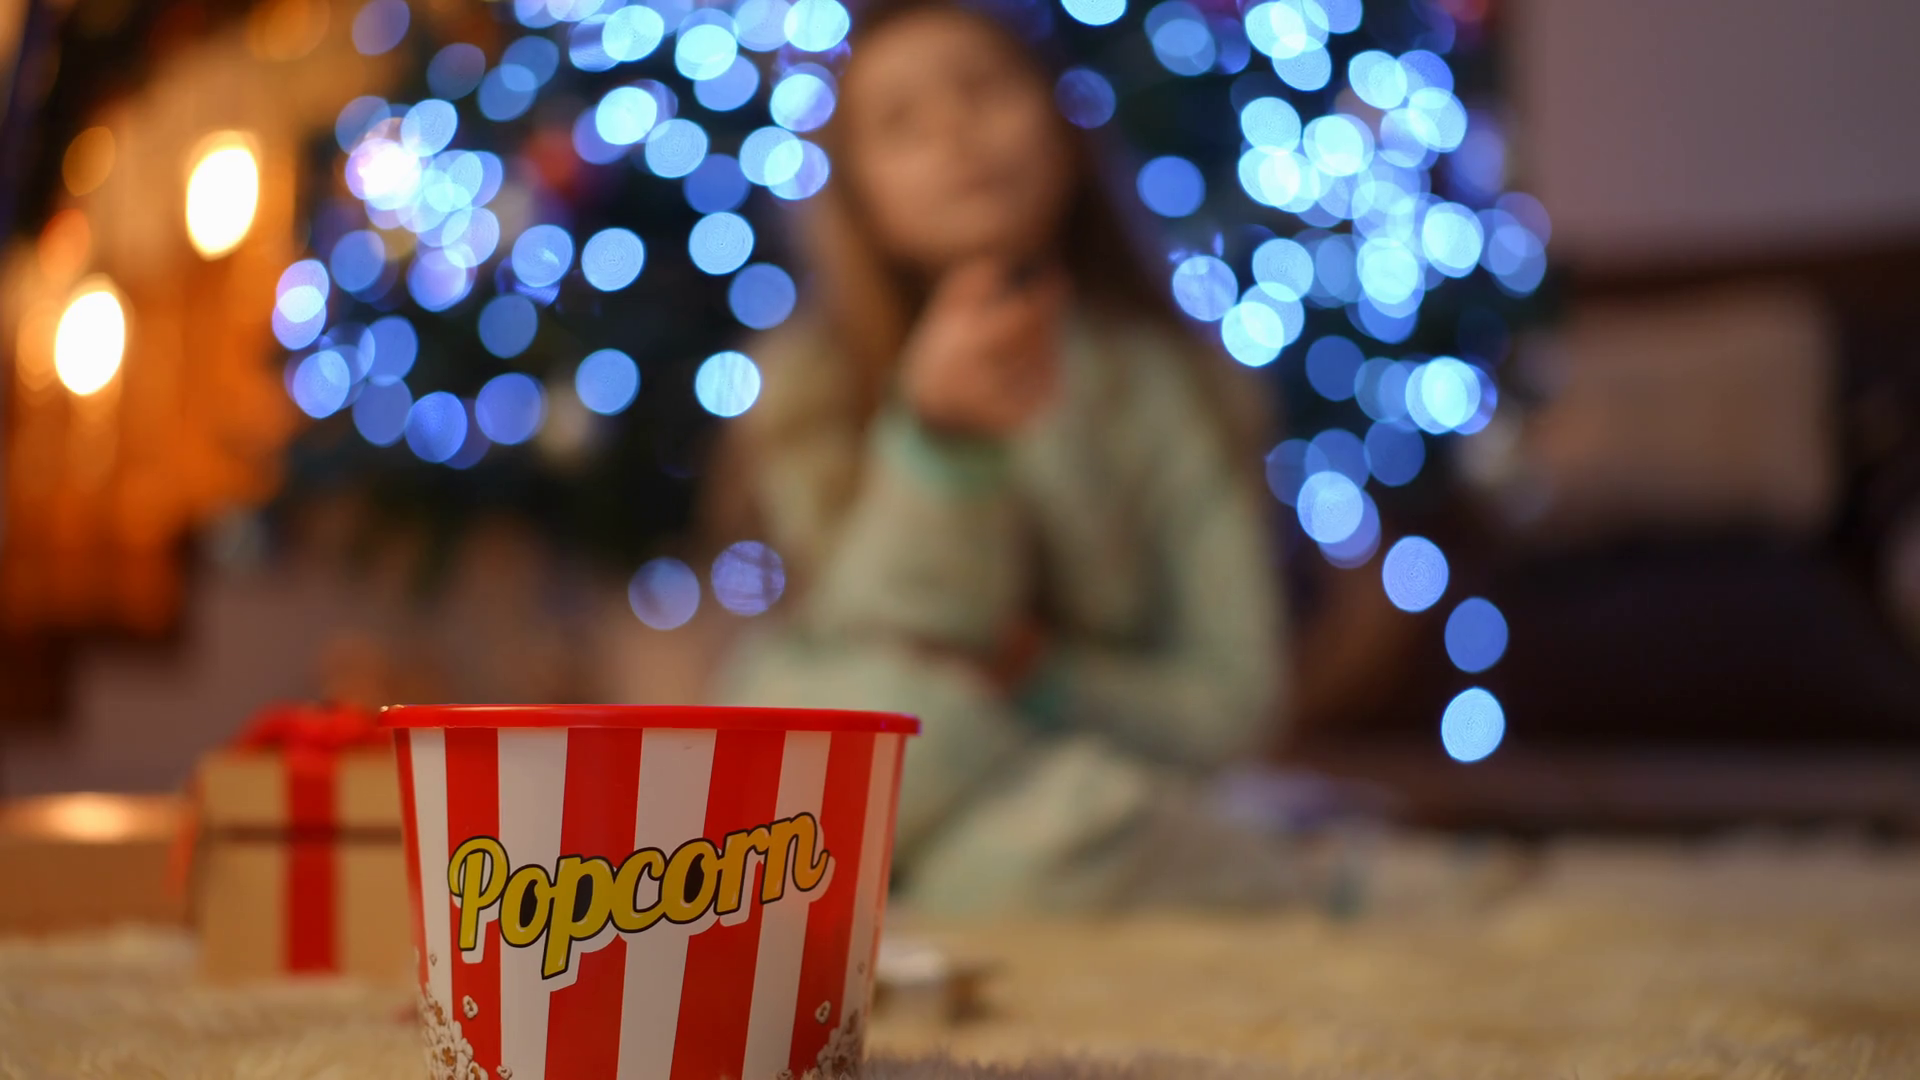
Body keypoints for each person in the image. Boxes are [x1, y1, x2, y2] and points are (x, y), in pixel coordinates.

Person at [708, 0, 1292, 913]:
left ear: (1062, 134)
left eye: (984, 88)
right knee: (847, 742)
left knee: (1039, 849)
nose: (956, 133)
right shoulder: (808, 391)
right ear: (861, 197)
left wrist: (1043, 686)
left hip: (1079, 783)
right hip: (891, 752)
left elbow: (1230, 696)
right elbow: (876, 649)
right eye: (901, 123)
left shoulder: (1164, 389)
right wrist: (940, 445)